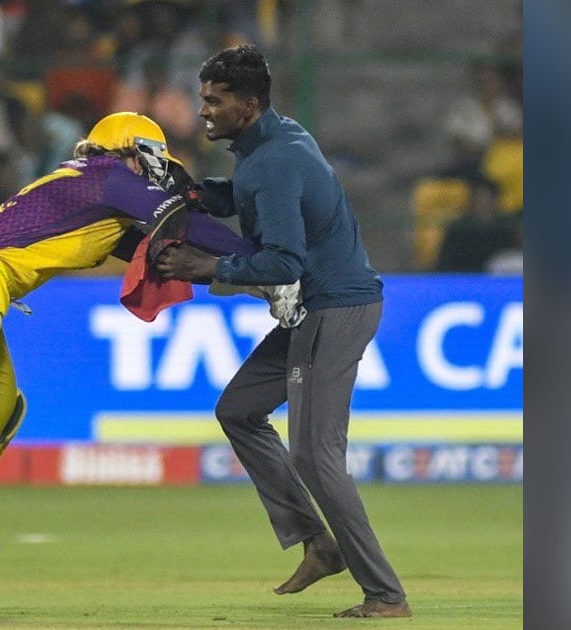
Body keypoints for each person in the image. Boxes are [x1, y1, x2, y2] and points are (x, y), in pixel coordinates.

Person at [0, 112, 251, 616]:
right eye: (154, 160)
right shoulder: (110, 177)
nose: (159, 172)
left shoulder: (99, 192)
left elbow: (174, 247)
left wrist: (256, 268)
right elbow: (184, 224)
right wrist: (268, 256)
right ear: (130, 149)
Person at [156, 44, 411, 618]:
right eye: (203, 99)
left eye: (214, 101)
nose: (204, 112)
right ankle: (317, 542)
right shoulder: (276, 140)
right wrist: (194, 191)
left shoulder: (271, 163)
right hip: (318, 309)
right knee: (239, 409)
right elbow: (248, 198)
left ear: (247, 106)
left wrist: (208, 268)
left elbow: (285, 262)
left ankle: (386, 595)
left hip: (332, 310)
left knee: (317, 456)